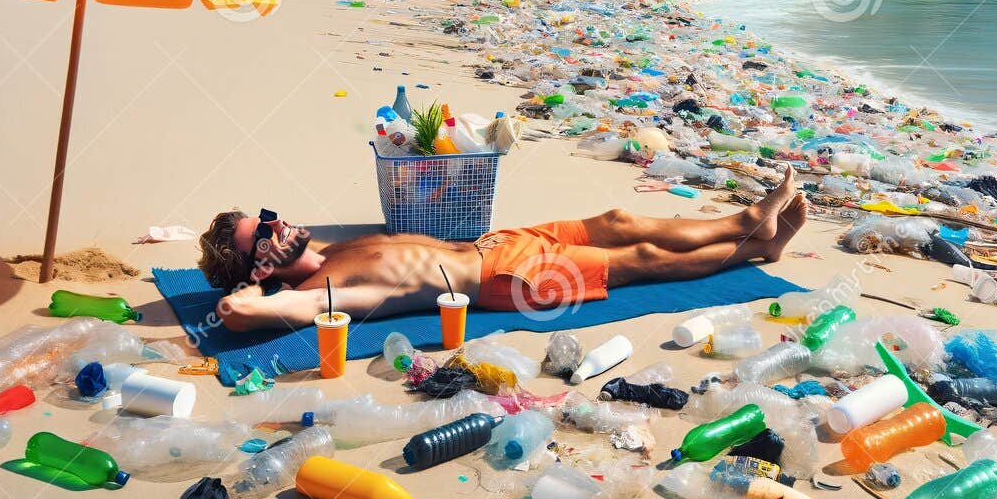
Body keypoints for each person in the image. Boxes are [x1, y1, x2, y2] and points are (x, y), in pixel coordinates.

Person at [197, 170, 806, 332]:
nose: (277, 221)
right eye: (264, 231)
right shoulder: (324, 292)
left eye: (267, 214)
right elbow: (250, 313)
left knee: (619, 221)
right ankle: (754, 247)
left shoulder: (330, 249)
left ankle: (745, 221)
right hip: (506, 279)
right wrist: (243, 297)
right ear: (261, 266)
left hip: (497, 243)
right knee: (642, 259)